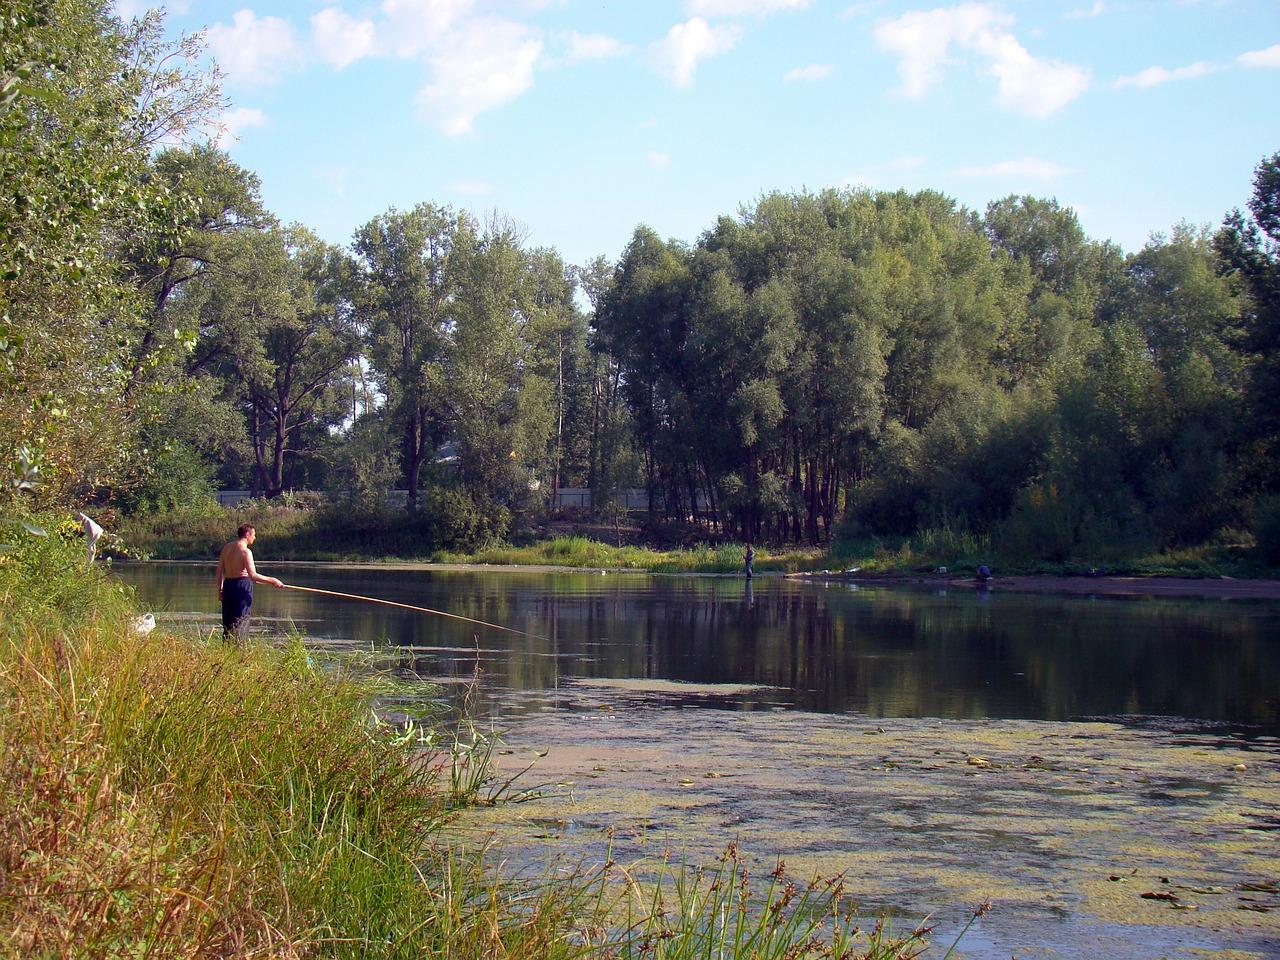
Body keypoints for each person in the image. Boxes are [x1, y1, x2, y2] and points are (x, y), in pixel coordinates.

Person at [216, 524, 284, 644]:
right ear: (247, 535)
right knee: (241, 620)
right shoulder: (246, 552)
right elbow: (253, 575)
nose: (255, 537)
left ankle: (226, 649)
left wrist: (220, 589)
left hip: (228, 585)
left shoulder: (226, 548)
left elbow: (219, 570)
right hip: (242, 587)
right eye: (254, 534)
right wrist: (273, 580)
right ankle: (239, 650)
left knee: (228, 621)